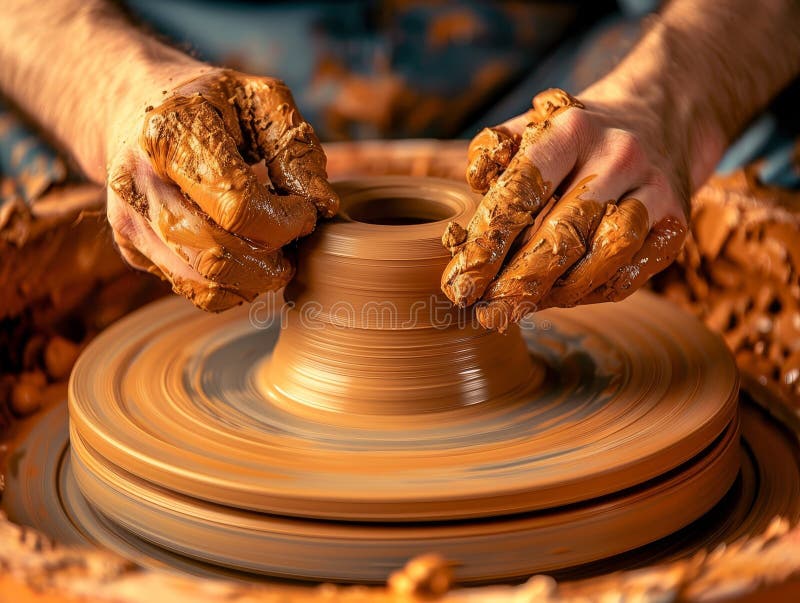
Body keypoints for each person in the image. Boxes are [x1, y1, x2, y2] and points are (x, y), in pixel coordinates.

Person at [1, 0, 799, 328]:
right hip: (170, 68)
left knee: (751, 179)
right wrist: (109, 89)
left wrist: (666, 103)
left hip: (562, 72)